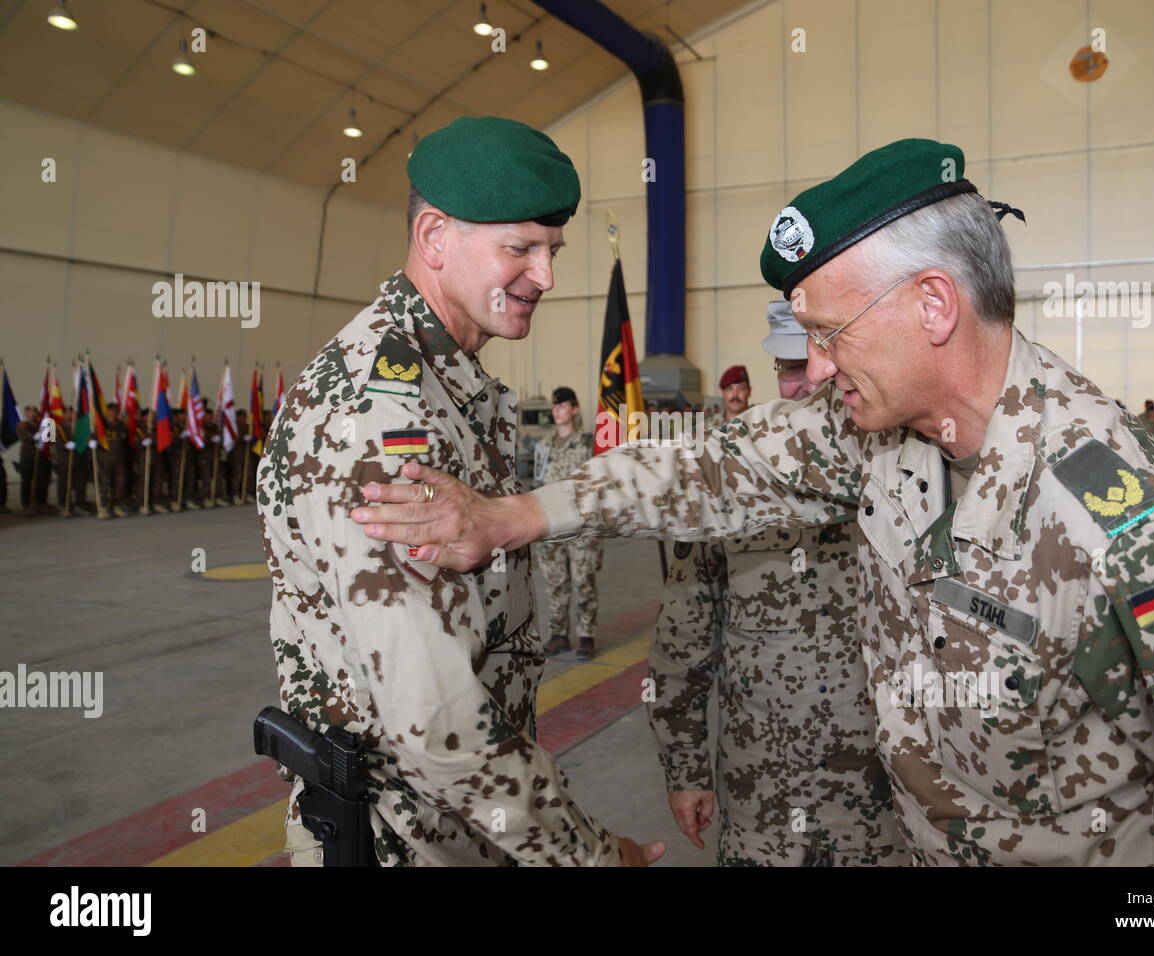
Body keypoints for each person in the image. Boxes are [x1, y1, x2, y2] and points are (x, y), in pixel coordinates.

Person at [355, 138, 1154, 866]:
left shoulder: (1149, 542)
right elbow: (718, 468)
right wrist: (512, 518)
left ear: (934, 307)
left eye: (831, 332)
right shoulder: (879, 433)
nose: (816, 368)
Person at [257, 116, 660, 867]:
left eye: (553, 251)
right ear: (436, 236)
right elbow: (433, 721)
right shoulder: (379, 414)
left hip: (464, 829)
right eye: (521, 248)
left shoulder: (445, 380)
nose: (545, 276)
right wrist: (593, 860)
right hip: (401, 839)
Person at [650, 300, 907, 867]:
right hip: (760, 799)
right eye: (787, 369)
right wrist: (685, 767)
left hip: (880, 803)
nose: (800, 388)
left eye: (812, 367)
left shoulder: (901, 466)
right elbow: (683, 640)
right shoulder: (731, 474)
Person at [532, 386, 602, 660]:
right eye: (555, 406)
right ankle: (558, 634)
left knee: (584, 580)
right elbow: (537, 482)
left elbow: (598, 483)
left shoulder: (587, 442)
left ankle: (586, 636)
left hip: (582, 524)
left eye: (563, 405)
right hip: (551, 524)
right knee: (555, 582)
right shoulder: (544, 445)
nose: (557, 410)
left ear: (574, 409)